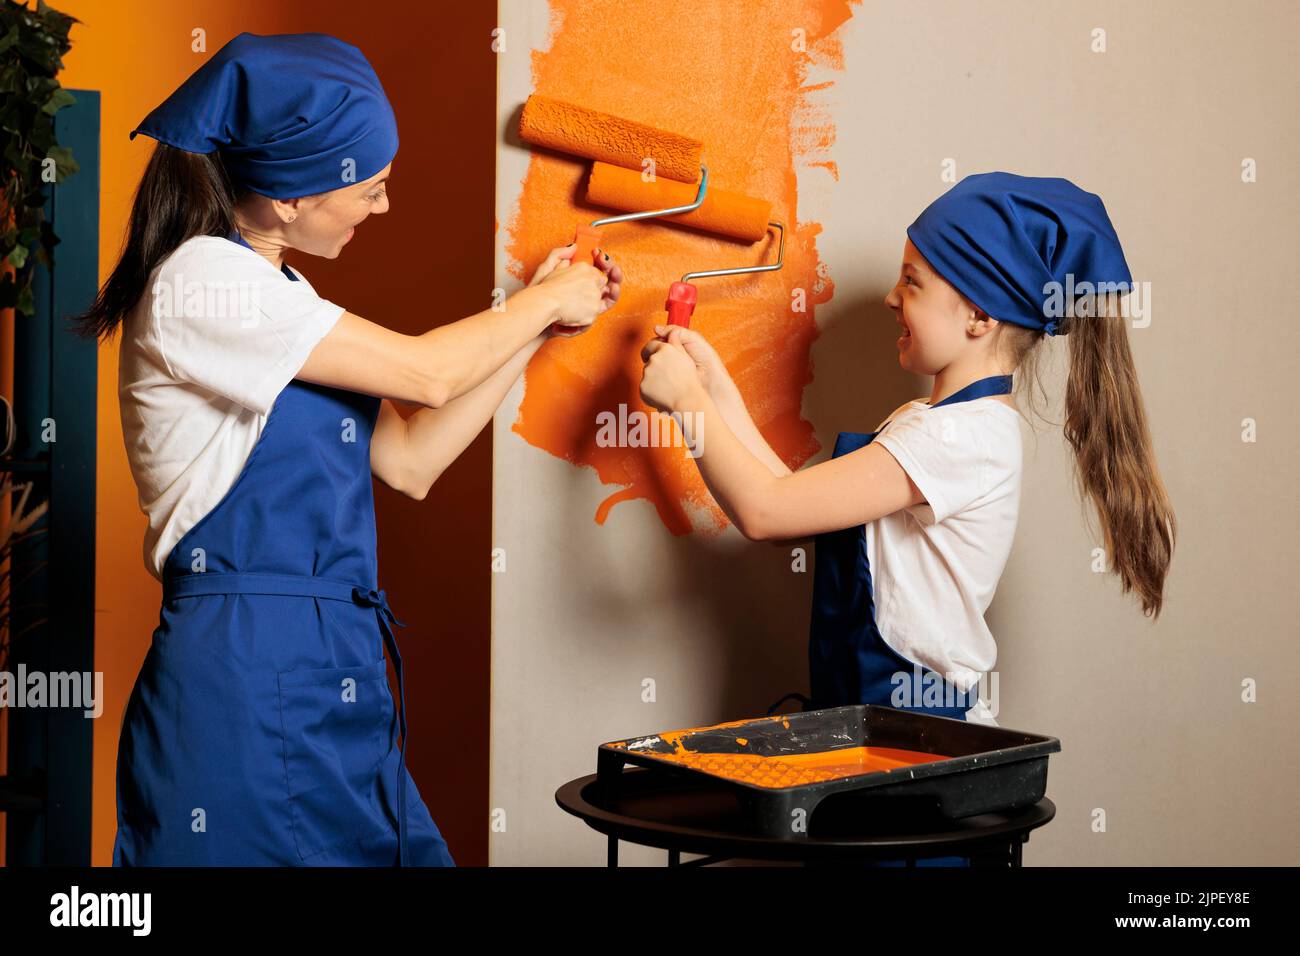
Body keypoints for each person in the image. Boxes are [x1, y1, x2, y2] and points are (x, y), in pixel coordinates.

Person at [74, 32, 620, 866]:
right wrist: (536, 308)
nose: (384, 207)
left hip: (334, 665)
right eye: (370, 189)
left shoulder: (282, 292)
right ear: (292, 197)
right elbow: (428, 372)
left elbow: (411, 460)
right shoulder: (201, 283)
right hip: (245, 680)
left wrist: (538, 319)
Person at [638, 171, 1175, 865]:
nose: (892, 297)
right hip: (875, 746)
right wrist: (713, 389)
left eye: (913, 281)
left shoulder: (961, 439)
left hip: (919, 761)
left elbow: (766, 513)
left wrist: (689, 409)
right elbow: (785, 496)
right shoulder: (932, 426)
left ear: (979, 316)